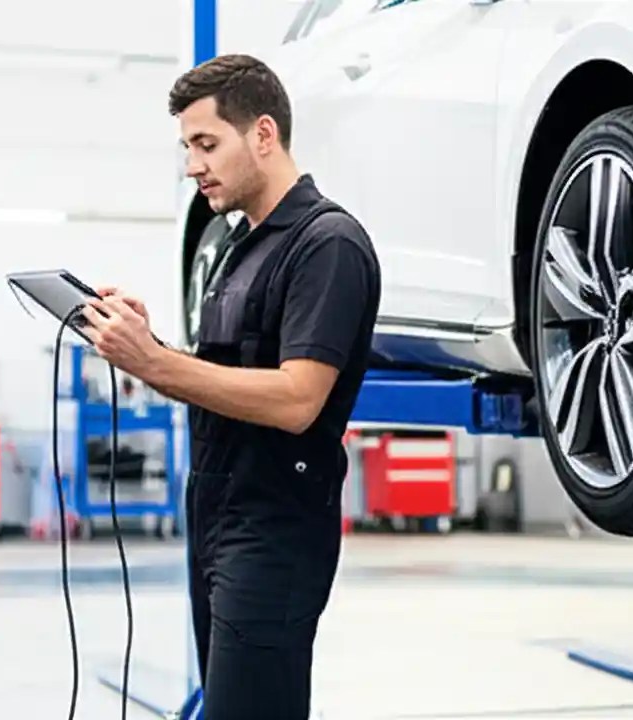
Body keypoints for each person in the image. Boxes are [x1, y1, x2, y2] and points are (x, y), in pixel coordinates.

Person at [82, 53, 381, 719]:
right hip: (217, 517)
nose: (193, 165)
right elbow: (226, 373)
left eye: (206, 144)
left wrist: (154, 364)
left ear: (264, 135)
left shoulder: (326, 246)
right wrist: (146, 342)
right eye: (187, 147)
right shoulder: (238, 247)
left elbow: (298, 398)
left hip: (275, 530)